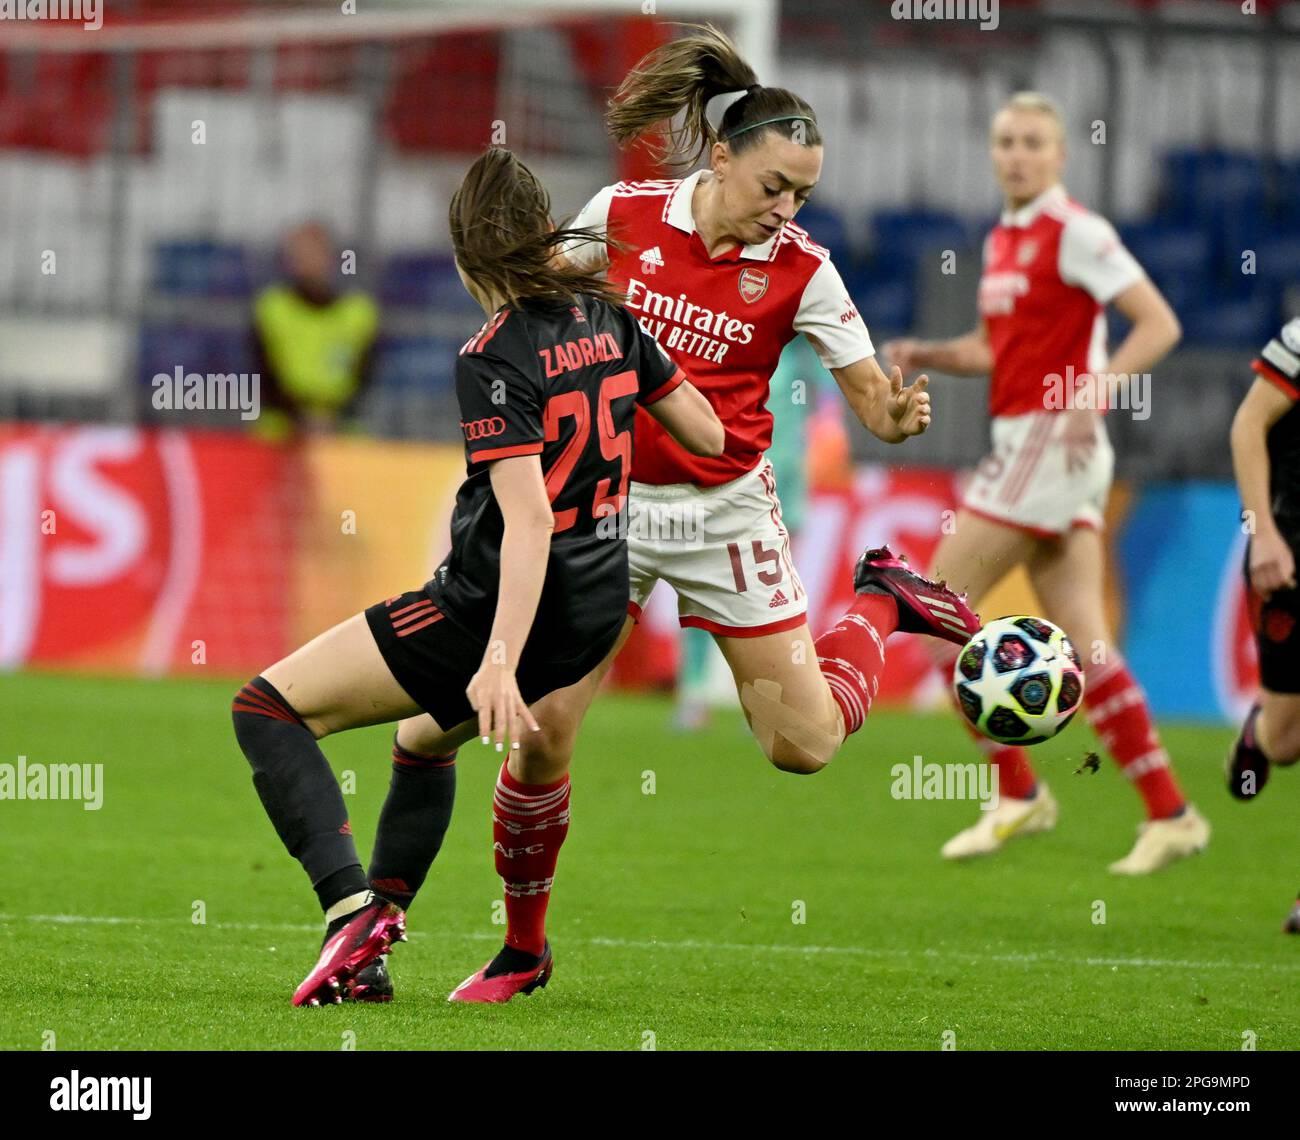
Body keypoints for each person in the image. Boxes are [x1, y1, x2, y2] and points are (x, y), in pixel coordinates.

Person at [389, 24, 981, 1005]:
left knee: (803, 747)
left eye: (802, 195)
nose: (785, 211)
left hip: (725, 513)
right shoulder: (619, 215)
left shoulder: (803, 271)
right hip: (608, 508)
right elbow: (542, 311)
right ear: (719, 157)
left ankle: (882, 603)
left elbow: (872, 397)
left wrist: (898, 412)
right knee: (542, 732)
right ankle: (522, 949)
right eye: (773, 187)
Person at [231, 146, 723, 1006]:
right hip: (599, 604)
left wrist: (496, 656)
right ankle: (371, 950)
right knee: (423, 741)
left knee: (267, 707)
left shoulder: (492, 354)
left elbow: (528, 518)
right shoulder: (612, 315)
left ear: (465, 255)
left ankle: (351, 910)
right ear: (543, 231)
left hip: (496, 607)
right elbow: (709, 434)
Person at [883, 91, 1210, 874]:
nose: (1018, 154)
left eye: (1033, 141)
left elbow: (1159, 322)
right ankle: (1171, 812)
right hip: (1037, 448)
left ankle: (1019, 792)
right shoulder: (1005, 240)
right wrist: (924, 350)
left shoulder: (1077, 233)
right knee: (1088, 643)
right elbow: (995, 349)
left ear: (1060, 155)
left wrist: (1094, 390)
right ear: (994, 153)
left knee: (928, 611)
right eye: (1006, 141)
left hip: (1046, 442)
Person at [1227, 314, 1300, 932]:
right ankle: (1261, 727)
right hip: (1292, 555)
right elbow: (1248, 424)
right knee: (1287, 741)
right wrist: (1263, 534)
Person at [250, 220, 379, 440]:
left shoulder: (359, 314)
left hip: (341, 430)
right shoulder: (271, 308)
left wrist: (330, 418)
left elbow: (364, 378)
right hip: (281, 430)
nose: (306, 262)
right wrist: (302, 418)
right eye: (298, 254)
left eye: (313, 253)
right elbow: (264, 374)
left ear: (331, 257)